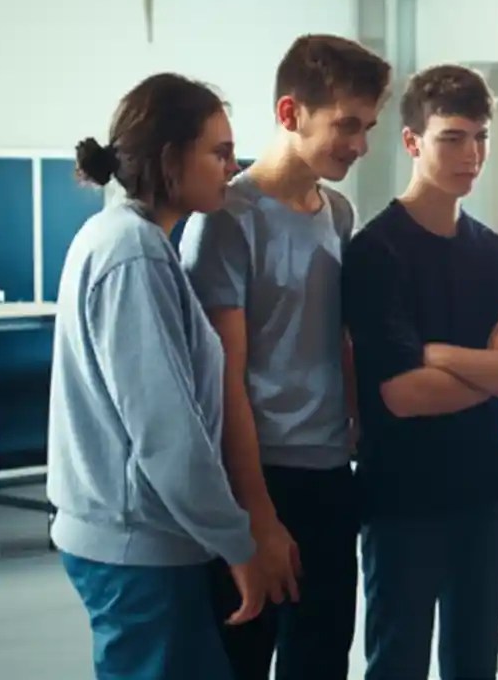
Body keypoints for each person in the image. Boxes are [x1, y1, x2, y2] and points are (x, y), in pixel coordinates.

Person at [179, 35, 391, 680]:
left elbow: (336, 334)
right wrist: (258, 517)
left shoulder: (339, 211)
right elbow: (226, 383)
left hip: (330, 474)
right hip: (260, 476)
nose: (359, 145)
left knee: (322, 659)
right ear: (291, 112)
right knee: (244, 660)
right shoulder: (226, 221)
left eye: (369, 127)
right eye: (346, 125)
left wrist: (355, 416)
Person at [47, 73, 263, 680]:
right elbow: (168, 431)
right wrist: (237, 541)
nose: (232, 165)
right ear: (171, 159)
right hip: (136, 547)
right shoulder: (132, 253)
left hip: (136, 539)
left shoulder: (132, 241)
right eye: (219, 152)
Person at [342, 64, 498, 680]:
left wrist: (444, 355)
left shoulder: (496, 254)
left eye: (481, 137)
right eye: (452, 137)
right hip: (402, 502)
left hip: (484, 497)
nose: (472, 154)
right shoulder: (377, 253)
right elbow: (403, 395)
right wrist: (490, 364)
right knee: (397, 662)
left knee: (474, 662)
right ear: (412, 142)